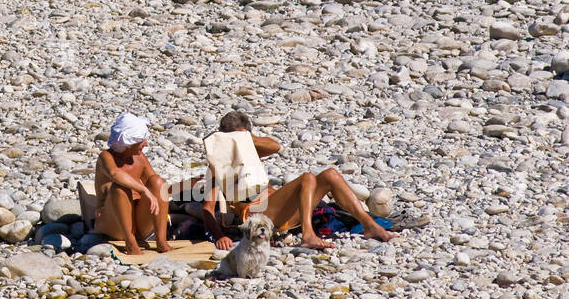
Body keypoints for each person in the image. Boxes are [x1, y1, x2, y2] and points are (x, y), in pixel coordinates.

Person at [174, 110, 394, 251]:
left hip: (281, 212)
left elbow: (275, 146)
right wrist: (219, 236)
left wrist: (246, 139)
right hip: (259, 216)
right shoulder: (219, 166)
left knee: (330, 175)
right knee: (307, 177)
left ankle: (370, 226)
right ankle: (308, 234)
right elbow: (207, 208)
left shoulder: (250, 153)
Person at [94, 113, 172, 255]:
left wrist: (188, 185)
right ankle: (130, 243)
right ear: (128, 143)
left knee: (157, 181)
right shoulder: (106, 157)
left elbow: (158, 188)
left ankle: (162, 241)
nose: (146, 143)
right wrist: (144, 190)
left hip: (138, 221)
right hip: (114, 222)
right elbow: (115, 174)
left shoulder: (139, 157)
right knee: (120, 187)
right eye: (141, 140)